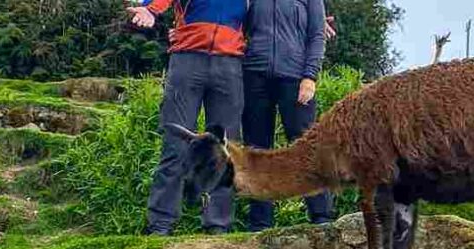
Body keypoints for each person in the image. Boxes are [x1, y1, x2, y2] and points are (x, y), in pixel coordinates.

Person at [130, 0, 247, 235]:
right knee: (175, 143)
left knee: (225, 150)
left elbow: (269, 15)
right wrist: (149, 9)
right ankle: (160, 225)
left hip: (229, 65)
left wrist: (303, 20)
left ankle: (218, 225)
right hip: (187, 60)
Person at [241, 0, 335, 231]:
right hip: (253, 75)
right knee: (257, 149)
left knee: (306, 146)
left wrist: (310, 76)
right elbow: (233, 22)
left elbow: (316, 35)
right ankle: (260, 224)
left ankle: (321, 217)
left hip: (295, 77)